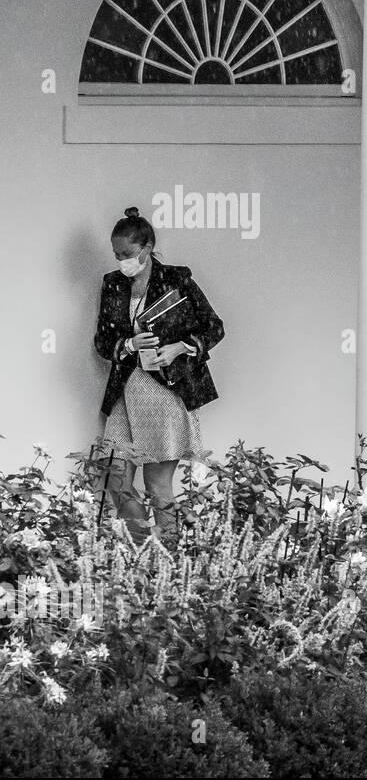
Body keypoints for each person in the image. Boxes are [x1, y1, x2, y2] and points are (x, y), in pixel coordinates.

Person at [92, 206, 225, 546]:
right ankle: (142, 547)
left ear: (148, 248)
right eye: (117, 254)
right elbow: (103, 343)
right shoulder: (113, 284)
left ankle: (168, 559)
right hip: (127, 389)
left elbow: (214, 327)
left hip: (166, 392)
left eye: (128, 254)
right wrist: (128, 343)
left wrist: (180, 347)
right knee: (116, 479)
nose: (122, 260)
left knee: (157, 486)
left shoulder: (176, 280)